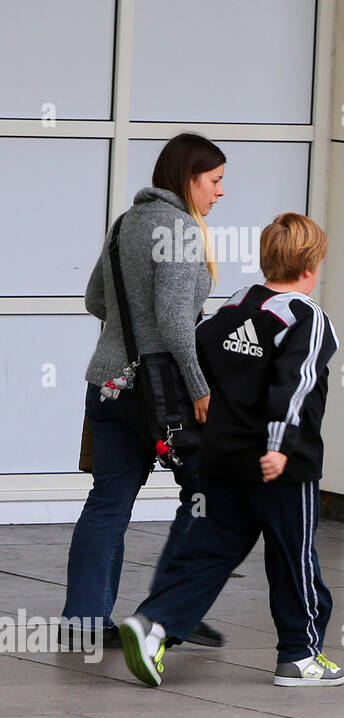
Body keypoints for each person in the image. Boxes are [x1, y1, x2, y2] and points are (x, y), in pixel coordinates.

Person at [120, 212, 344, 688]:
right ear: (312, 266)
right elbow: (297, 387)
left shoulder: (237, 305)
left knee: (210, 552)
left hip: (222, 458)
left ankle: (153, 624)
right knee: (294, 557)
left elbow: (200, 357)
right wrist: (280, 446)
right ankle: (300, 657)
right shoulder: (305, 317)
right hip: (279, 466)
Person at [64, 133, 227, 649]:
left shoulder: (125, 225)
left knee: (108, 502)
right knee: (206, 495)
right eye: (215, 181)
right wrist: (200, 388)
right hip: (159, 392)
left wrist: (127, 333)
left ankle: (84, 623)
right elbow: (179, 325)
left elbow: (94, 299)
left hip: (108, 383)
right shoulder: (179, 230)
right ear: (189, 178)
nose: (220, 193)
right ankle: (169, 611)